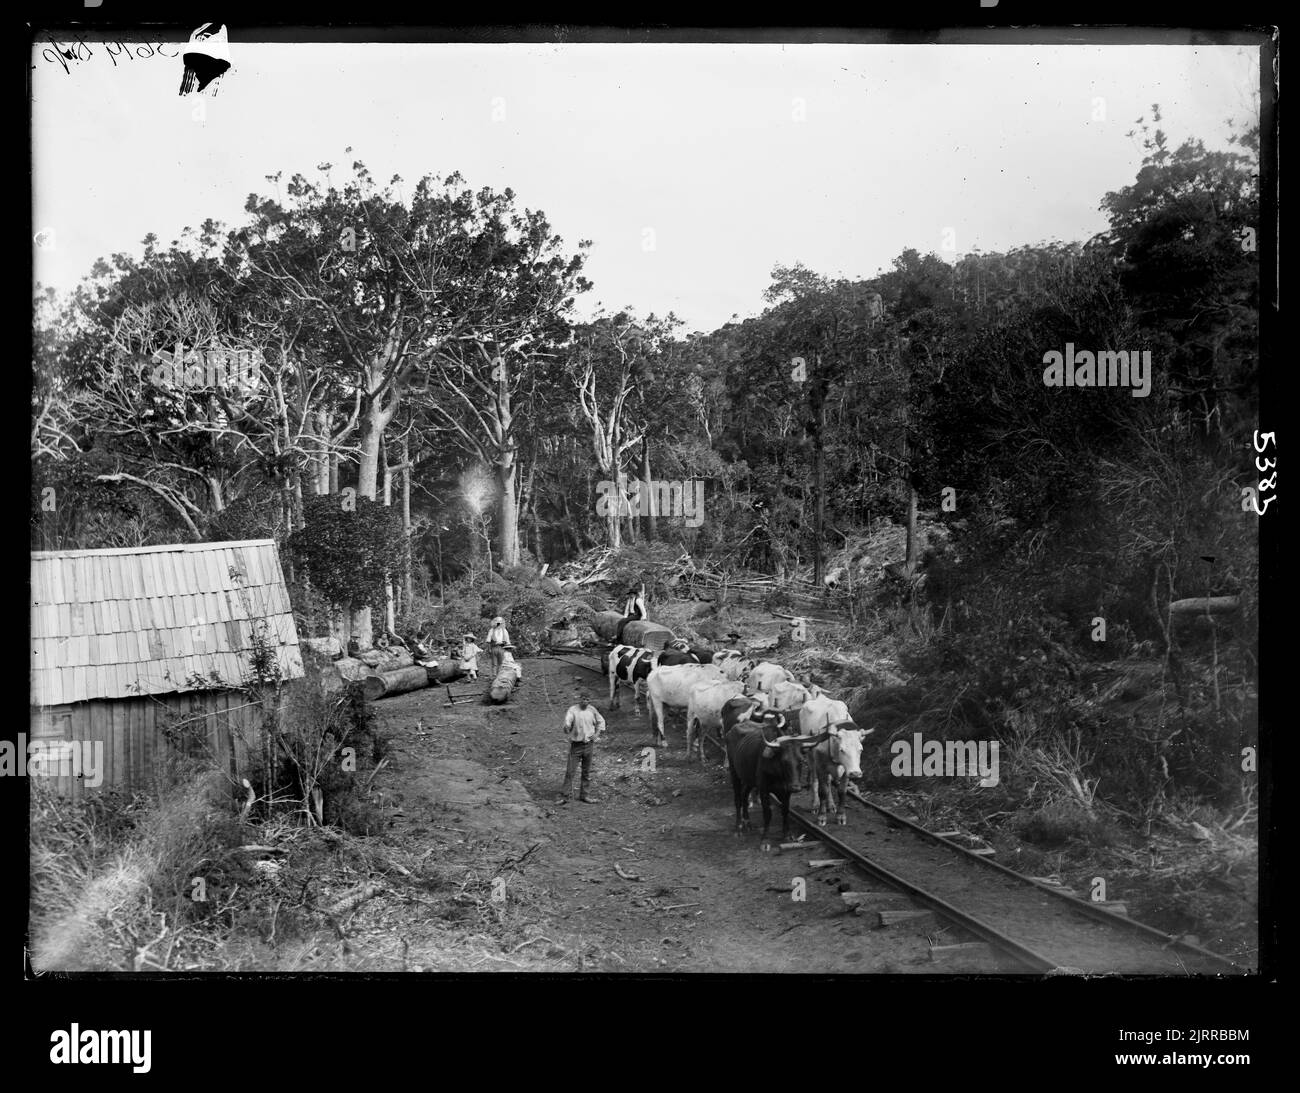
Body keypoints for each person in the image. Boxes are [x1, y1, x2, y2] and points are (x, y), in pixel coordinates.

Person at [558, 690, 605, 804]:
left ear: (589, 701)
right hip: (576, 746)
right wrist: (567, 727)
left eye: (587, 699)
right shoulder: (573, 710)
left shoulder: (592, 710)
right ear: (579, 699)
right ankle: (565, 796)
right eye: (583, 699)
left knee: (586, 772)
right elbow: (568, 721)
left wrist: (597, 734)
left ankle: (584, 795)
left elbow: (601, 721)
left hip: (589, 745)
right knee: (570, 771)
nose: (585, 701)